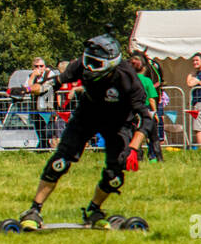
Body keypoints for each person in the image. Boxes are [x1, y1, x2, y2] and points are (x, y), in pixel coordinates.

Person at [17, 35, 153, 230]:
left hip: (118, 124)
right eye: (87, 60)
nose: (88, 67)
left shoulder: (128, 78)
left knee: (114, 177)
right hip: (86, 116)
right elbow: (55, 82)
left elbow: (146, 119)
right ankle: (33, 210)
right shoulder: (81, 64)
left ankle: (94, 210)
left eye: (94, 63)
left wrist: (133, 148)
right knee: (59, 162)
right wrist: (34, 89)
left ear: (111, 63)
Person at [128, 53, 163, 162]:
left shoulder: (128, 80)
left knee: (134, 134)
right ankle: (156, 157)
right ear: (144, 67)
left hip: (132, 110)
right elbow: (152, 99)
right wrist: (155, 112)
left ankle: (138, 156)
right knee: (152, 136)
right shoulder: (147, 81)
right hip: (146, 109)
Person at [23, 57, 58, 149]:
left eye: (41, 66)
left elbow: (44, 88)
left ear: (45, 66)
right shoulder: (31, 76)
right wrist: (33, 76)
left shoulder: (50, 74)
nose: (39, 68)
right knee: (40, 132)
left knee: (48, 133)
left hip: (48, 109)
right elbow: (26, 88)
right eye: (36, 66)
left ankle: (43, 148)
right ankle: (43, 149)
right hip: (36, 109)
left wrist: (32, 89)